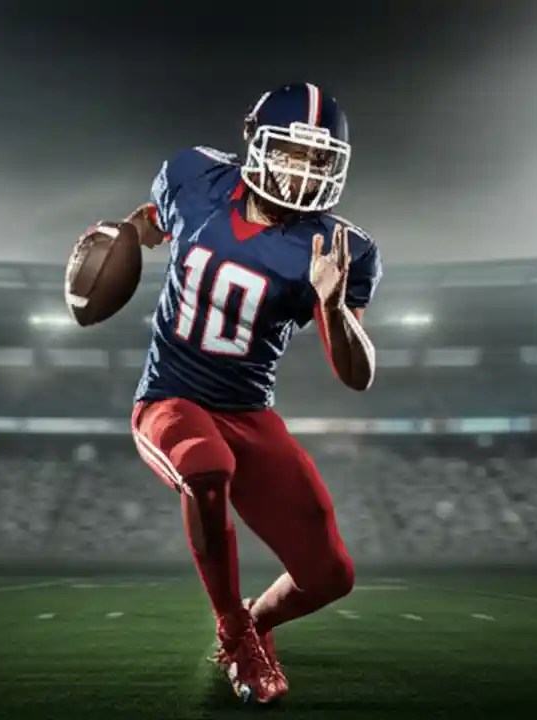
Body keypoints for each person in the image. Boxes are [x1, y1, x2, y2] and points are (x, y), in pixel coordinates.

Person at [86, 82, 381, 704]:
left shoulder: (337, 247)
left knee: (331, 576)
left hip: (249, 411)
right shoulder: (193, 177)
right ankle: (234, 634)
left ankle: (254, 621)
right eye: (292, 153)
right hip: (170, 397)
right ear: (255, 141)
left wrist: (332, 303)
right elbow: (156, 219)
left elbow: (357, 374)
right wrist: (129, 235)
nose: (302, 172)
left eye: (317, 160)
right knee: (204, 464)